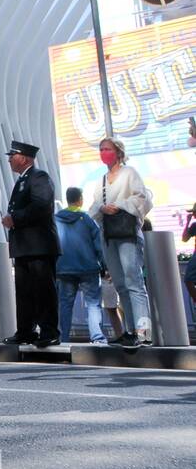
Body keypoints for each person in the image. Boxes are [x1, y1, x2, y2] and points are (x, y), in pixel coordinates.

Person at [88, 137, 154, 347]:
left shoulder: (130, 173)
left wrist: (120, 205)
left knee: (134, 282)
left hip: (127, 233)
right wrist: (102, 208)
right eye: (101, 149)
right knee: (121, 284)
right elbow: (94, 208)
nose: (104, 153)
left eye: (107, 149)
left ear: (118, 152)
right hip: (108, 235)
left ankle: (143, 333)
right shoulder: (101, 181)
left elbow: (143, 198)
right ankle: (130, 330)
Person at [0, 140, 61, 346]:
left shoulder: (39, 177)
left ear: (24, 157)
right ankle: (25, 330)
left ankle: (49, 331)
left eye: (13, 155)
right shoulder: (23, 180)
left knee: (44, 290)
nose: (9, 159)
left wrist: (14, 218)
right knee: (25, 291)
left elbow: (42, 205)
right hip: (25, 245)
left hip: (39, 245)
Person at [54, 187, 107, 344]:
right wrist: (104, 265)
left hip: (64, 269)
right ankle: (97, 338)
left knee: (65, 304)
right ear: (80, 200)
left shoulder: (56, 220)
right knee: (93, 304)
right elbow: (99, 244)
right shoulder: (87, 219)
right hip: (88, 268)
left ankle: (63, 338)